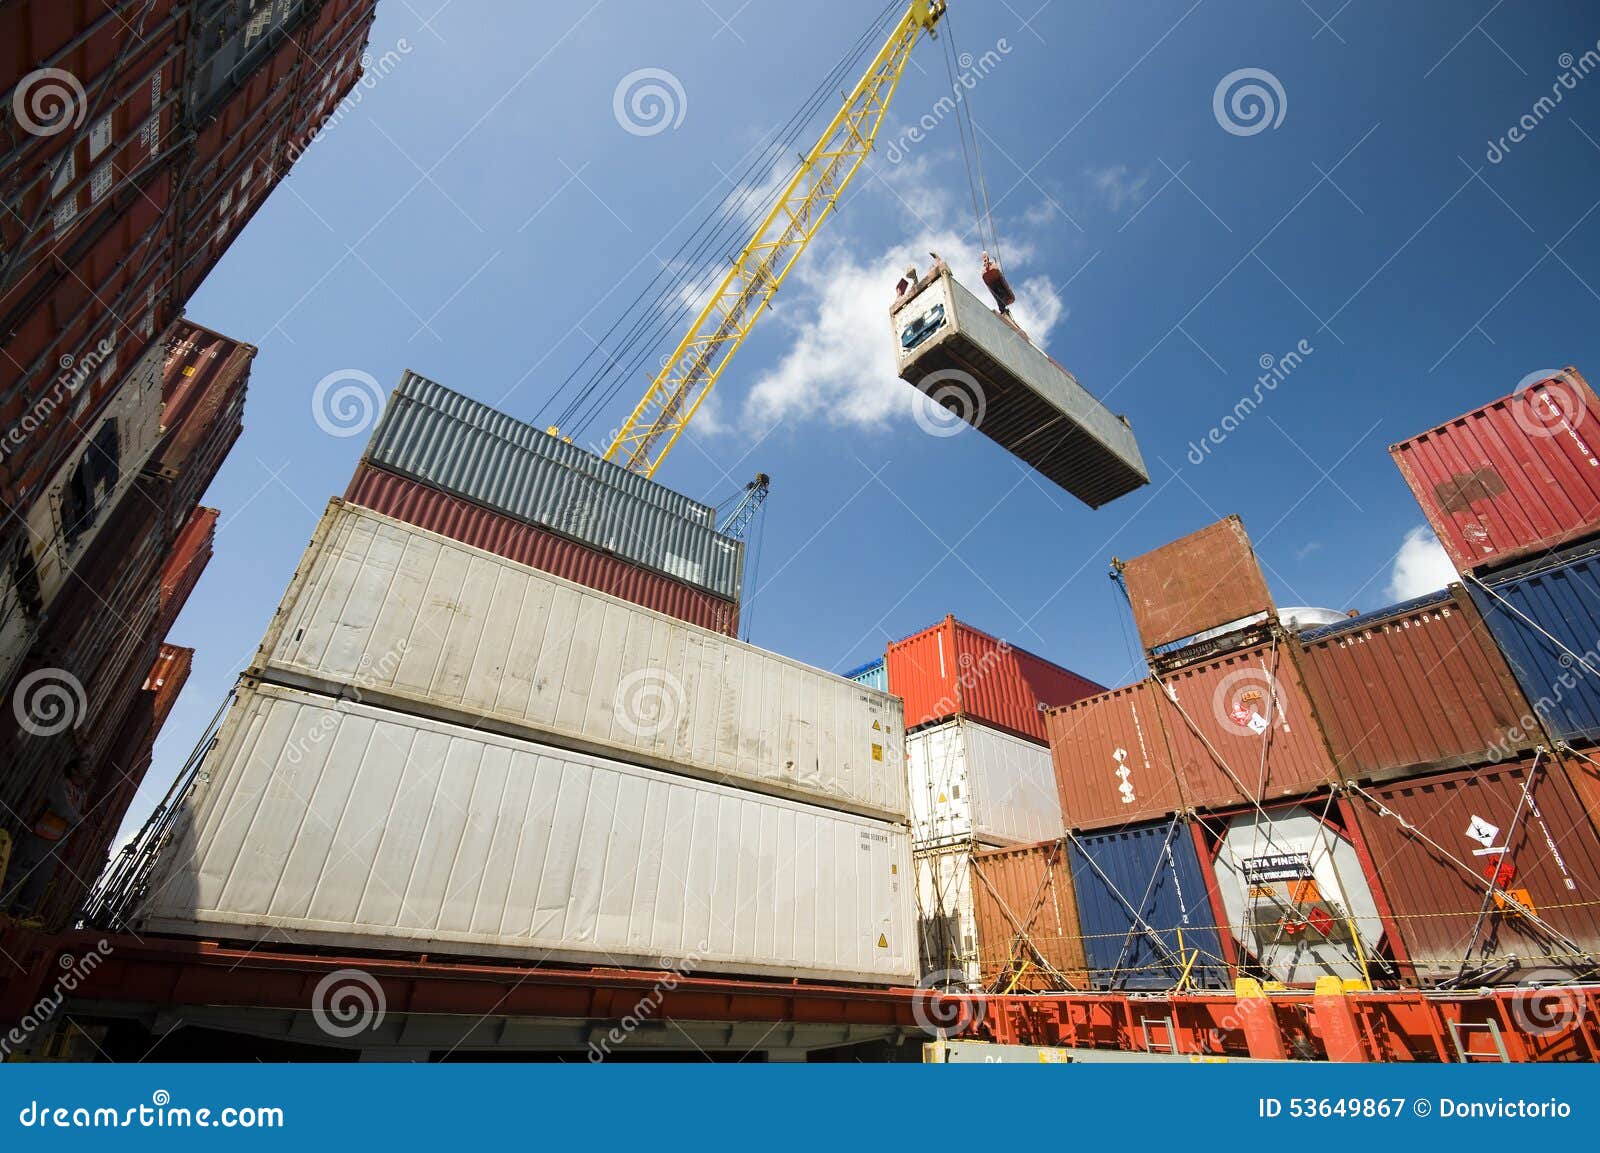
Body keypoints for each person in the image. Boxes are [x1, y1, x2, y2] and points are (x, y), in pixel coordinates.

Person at [3, 759, 88, 922]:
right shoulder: (62, 786)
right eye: (86, 766)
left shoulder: (80, 794)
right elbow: (62, 809)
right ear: (74, 771)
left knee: (38, 883)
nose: (90, 769)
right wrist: (81, 821)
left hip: (56, 845)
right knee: (16, 874)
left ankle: (18, 916)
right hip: (39, 838)